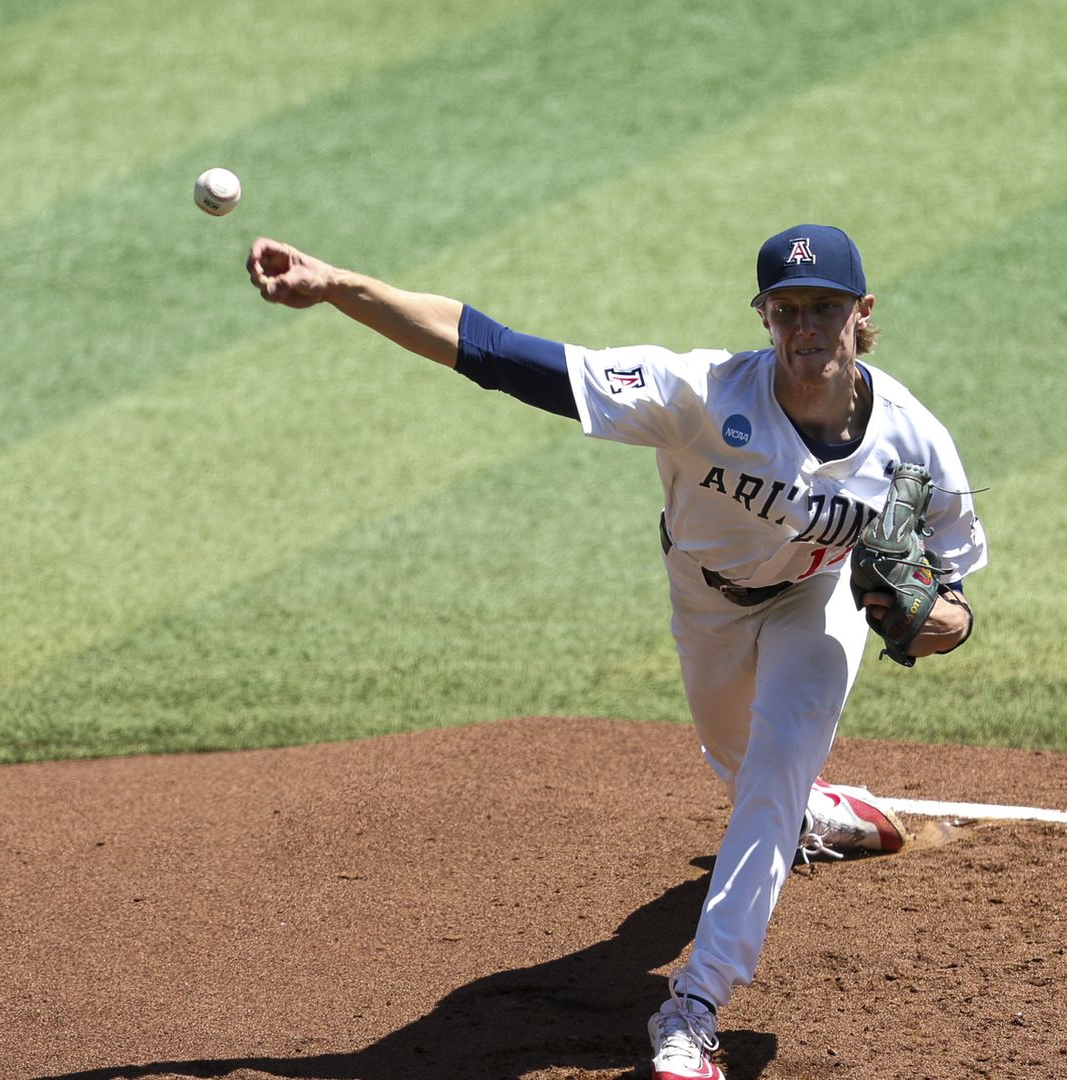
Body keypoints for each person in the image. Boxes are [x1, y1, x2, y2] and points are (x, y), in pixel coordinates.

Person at [246, 224, 988, 1080]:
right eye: (787, 310)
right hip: (706, 601)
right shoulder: (696, 394)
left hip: (819, 604)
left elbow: (958, 590)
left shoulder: (915, 440)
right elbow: (494, 351)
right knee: (739, 756)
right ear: (764, 317)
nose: (806, 329)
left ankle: (693, 1011)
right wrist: (340, 285)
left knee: (775, 767)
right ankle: (812, 812)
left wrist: (941, 625)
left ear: (862, 314)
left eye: (825, 308)